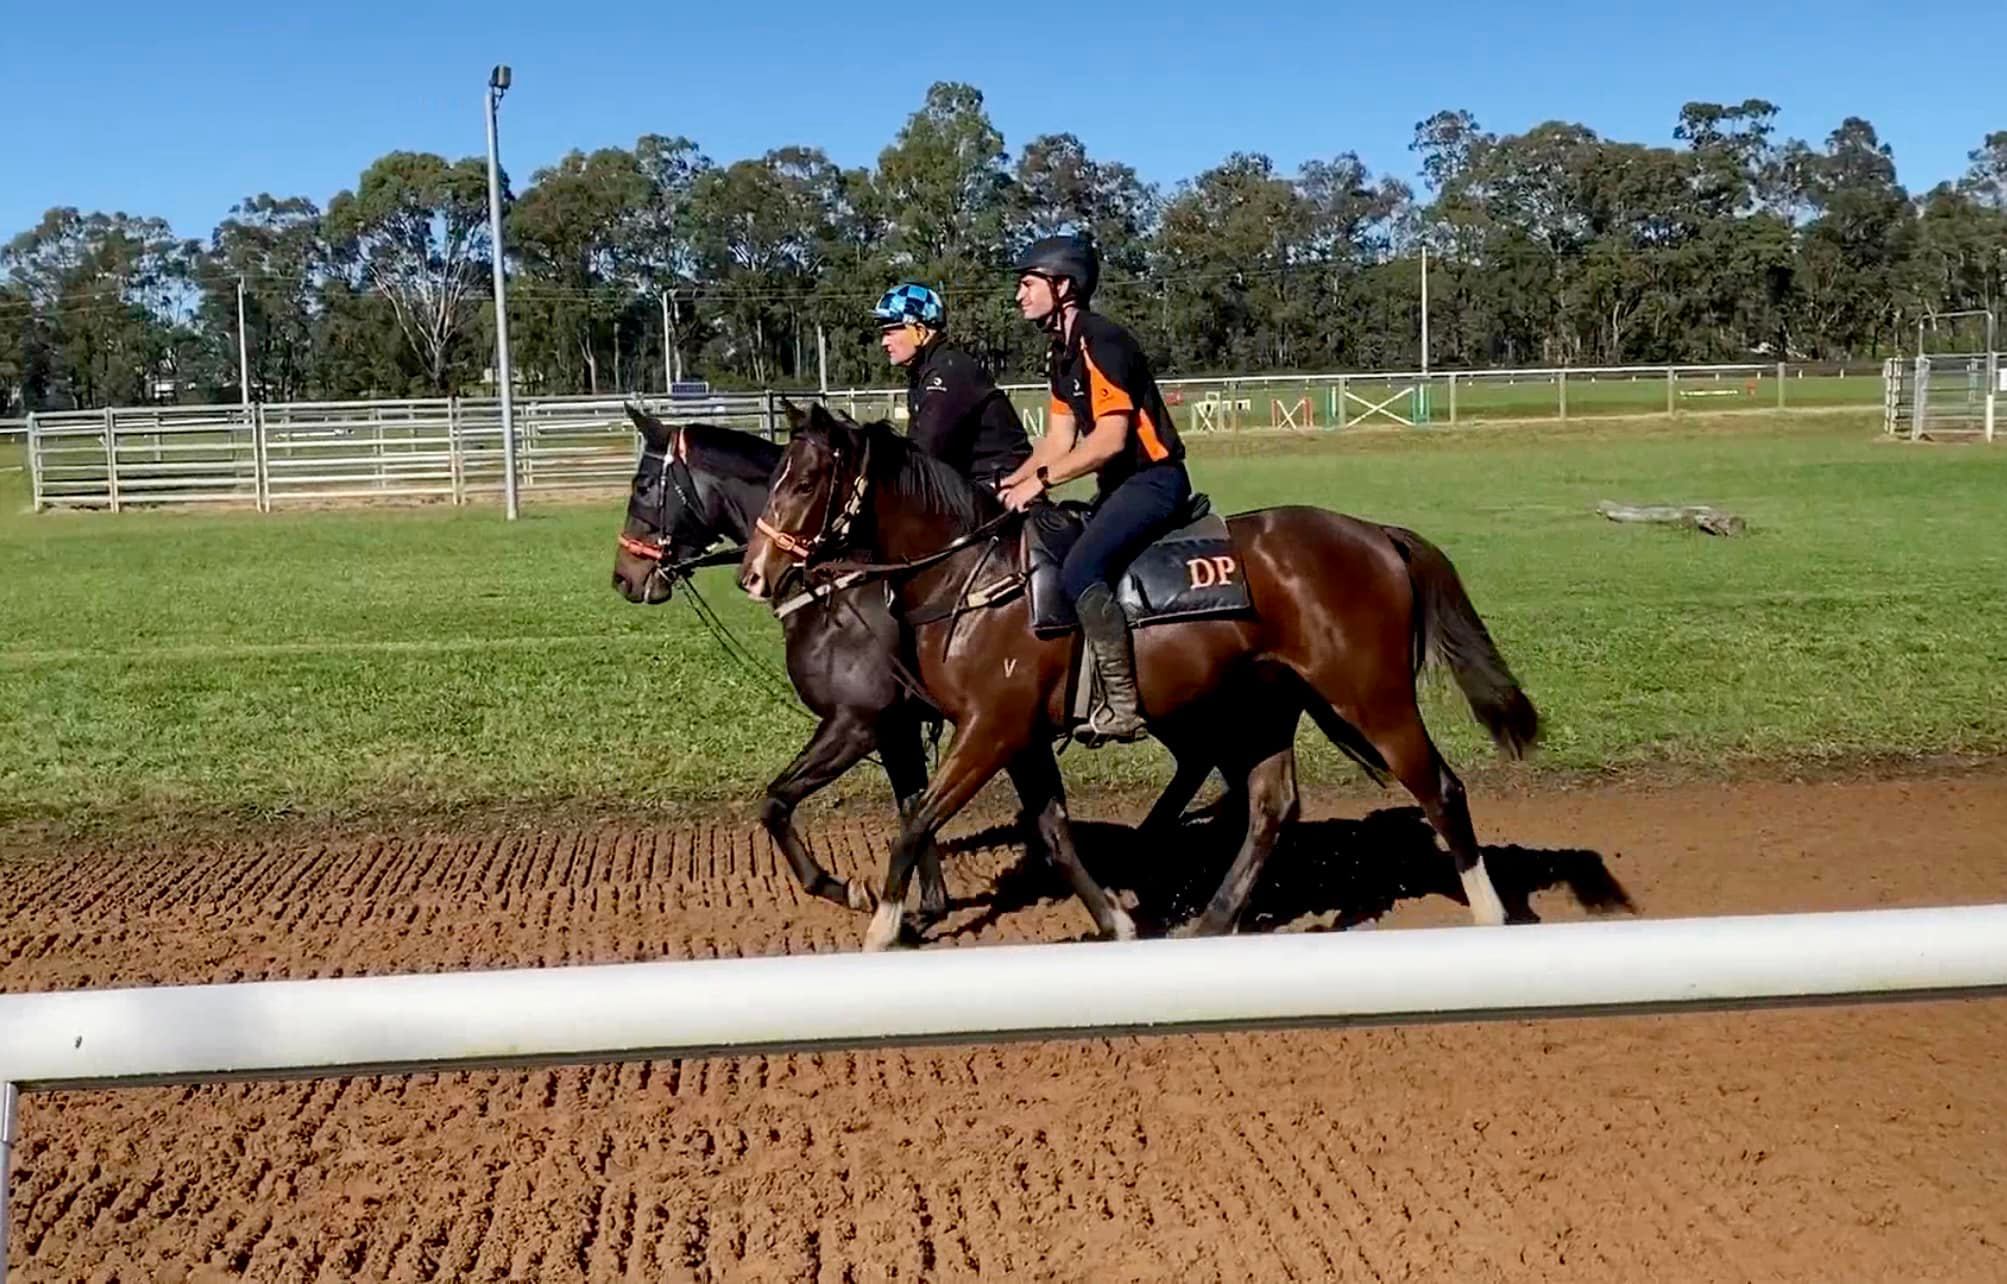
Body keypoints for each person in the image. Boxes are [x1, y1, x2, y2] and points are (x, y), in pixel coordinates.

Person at [998, 235, 1191, 745]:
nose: (1019, 295)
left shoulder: (1098, 340)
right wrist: (1012, 482)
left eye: (1027, 284)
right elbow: (1058, 439)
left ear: (1063, 286)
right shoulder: (1059, 352)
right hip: (1119, 487)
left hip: (1154, 481)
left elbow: (1110, 439)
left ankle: (1124, 706)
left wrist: (1040, 482)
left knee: (1081, 567)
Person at [872, 282, 1031, 491]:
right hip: (973, 486)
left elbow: (925, 453)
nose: (884, 342)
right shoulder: (925, 371)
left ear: (919, 330)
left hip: (1001, 488)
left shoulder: (948, 372)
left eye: (891, 331)